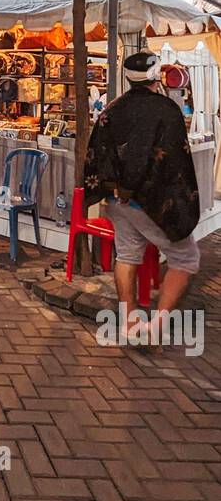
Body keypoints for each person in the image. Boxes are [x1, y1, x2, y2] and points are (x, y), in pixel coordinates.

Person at [84, 49, 200, 341]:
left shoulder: (111, 108)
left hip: (116, 199)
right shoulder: (166, 110)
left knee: (127, 254)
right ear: (155, 76)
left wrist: (113, 189)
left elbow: (97, 153)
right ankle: (156, 326)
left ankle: (129, 321)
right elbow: (173, 160)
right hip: (147, 202)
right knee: (186, 258)